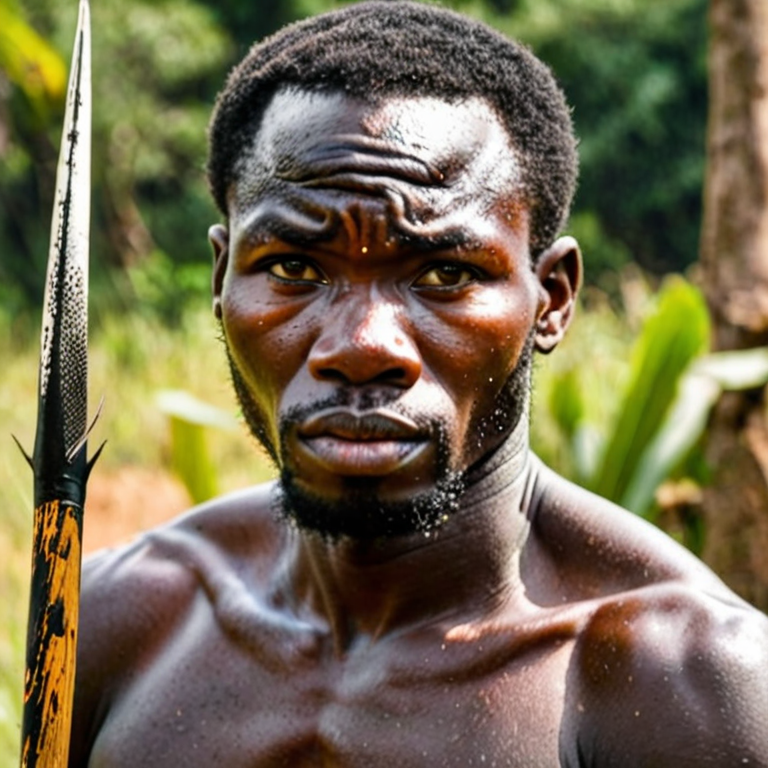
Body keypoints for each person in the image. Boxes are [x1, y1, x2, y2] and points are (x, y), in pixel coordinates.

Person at [69, 2, 768, 765]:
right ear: (220, 278)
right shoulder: (114, 618)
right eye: (294, 268)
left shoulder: (685, 680)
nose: (363, 348)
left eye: (444, 273)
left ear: (552, 299)